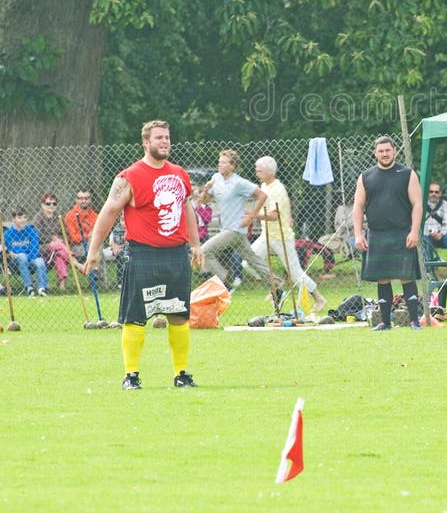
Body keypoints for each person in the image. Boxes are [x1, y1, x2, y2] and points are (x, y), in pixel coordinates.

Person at [84, 119, 204, 390]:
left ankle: (181, 374)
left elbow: (186, 210)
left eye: (167, 137)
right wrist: (93, 250)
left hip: (176, 254)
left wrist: (195, 244)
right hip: (142, 254)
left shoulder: (179, 174)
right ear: (146, 142)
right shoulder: (130, 176)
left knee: (179, 315)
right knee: (135, 316)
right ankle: (131, 376)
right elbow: (109, 212)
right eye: (159, 137)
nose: (165, 142)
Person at [353, 135, 423, 331]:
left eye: (387, 150)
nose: (384, 154)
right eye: (380, 151)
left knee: (406, 277)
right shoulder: (366, 177)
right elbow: (358, 207)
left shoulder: (407, 174)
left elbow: (417, 204)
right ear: (375, 153)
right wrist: (358, 234)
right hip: (376, 233)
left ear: (394, 150)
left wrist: (414, 231)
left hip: (402, 232)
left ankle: (414, 321)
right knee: (382, 277)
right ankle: (385, 322)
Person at [254, 155, 327, 312]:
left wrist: (252, 214)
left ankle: (319, 298)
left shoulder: (277, 188)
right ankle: (277, 285)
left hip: (281, 237)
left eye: (259, 171)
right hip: (266, 236)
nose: (256, 173)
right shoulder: (264, 186)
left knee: (295, 273)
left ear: (269, 172)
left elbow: (274, 215)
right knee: (249, 261)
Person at [199, 149, 272, 290]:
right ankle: (277, 286)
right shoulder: (216, 178)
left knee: (204, 251)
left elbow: (262, 195)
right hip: (228, 229)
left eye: (224, 163)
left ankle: (227, 281)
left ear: (232, 166)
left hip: (235, 230)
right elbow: (205, 200)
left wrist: (251, 215)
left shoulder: (239, 183)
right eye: (219, 162)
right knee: (254, 261)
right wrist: (207, 189)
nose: (219, 165)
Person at [2, 208, 49, 296]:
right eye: (20, 218)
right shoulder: (7, 234)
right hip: (14, 264)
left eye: (24, 217)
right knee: (21, 256)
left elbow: (34, 250)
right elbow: (4, 250)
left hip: (30, 261)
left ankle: (42, 289)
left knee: (40, 261)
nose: (23, 220)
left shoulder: (32, 231)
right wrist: (9, 252)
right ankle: (29, 287)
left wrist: (25, 258)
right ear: (13, 219)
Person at [32, 193, 71, 290]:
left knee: (59, 254)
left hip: (59, 248)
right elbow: (37, 236)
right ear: (42, 205)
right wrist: (52, 239)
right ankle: (76, 263)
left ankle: (62, 286)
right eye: (48, 203)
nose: (51, 206)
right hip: (42, 247)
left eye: (54, 203)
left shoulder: (59, 218)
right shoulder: (38, 218)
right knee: (57, 245)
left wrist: (60, 239)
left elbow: (67, 234)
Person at [423, 181, 447, 261]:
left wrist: (440, 234)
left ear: (440, 193)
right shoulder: (422, 204)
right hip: (426, 235)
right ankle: (429, 269)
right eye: (431, 192)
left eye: (436, 192)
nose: (433, 194)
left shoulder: (444, 204)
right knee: (424, 241)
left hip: (441, 236)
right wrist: (429, 233)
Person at [63, 188, 99, 261]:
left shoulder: (95, 216)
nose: (84, 201)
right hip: (76, 247)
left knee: (96, 244)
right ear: (76, 200)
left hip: (93, 245)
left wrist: (92, 236)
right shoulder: (70, 215)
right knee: (96, 249)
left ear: (90, 199)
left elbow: (98, 234)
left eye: (86, 198)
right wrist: (88, 236)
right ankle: (95, 267)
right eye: (81, 198)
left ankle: (96, 269)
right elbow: (73, 238)